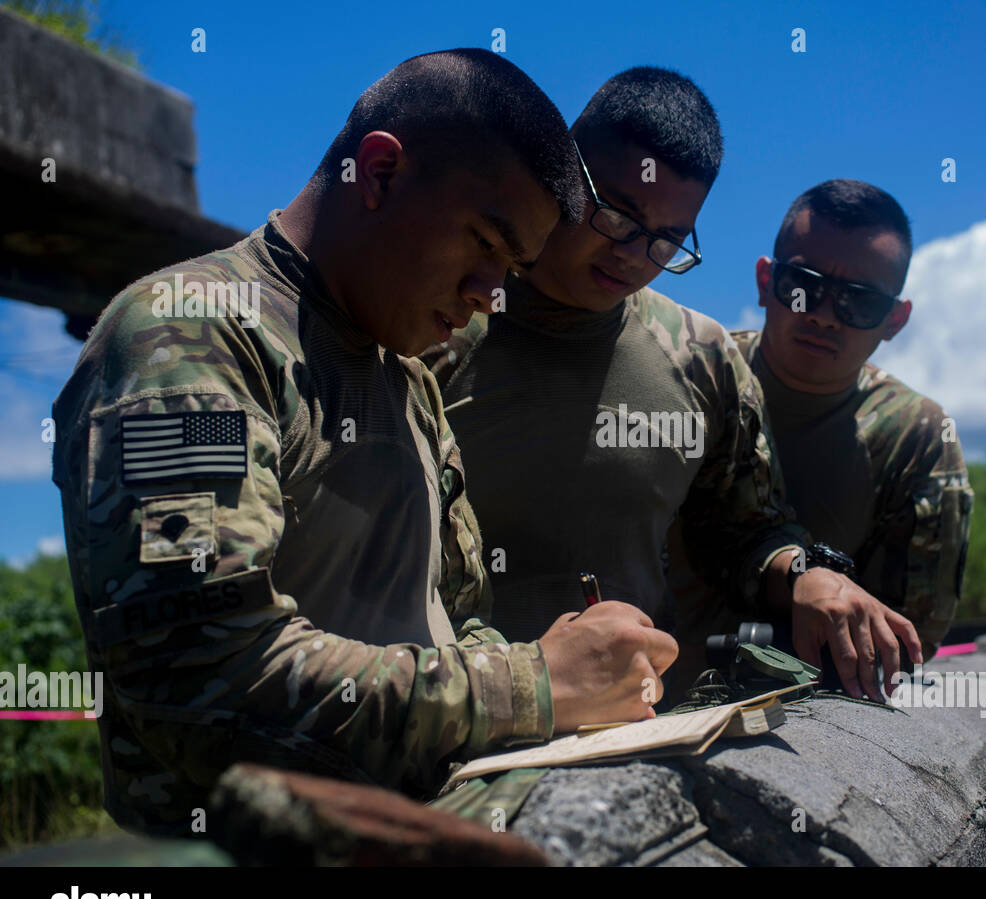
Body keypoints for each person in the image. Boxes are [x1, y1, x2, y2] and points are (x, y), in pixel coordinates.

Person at [50, 49, 676, 837]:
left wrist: (570, 673)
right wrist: (532, 685)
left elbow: (456, 618)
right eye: (486, 244)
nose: (489, 299)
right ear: (378, 174)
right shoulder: (188, 336)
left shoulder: (409, 378)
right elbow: (200, 682)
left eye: (512, 269)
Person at [427, 69, 921, 704]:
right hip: (452, 726)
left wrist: (805, 576)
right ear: (561, 170)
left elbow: (746, 529)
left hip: (639, 730)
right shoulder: (441, 318)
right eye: (618, 216)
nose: (635, 255)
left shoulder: (702, 357)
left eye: (668, 240)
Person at [670, 180, 973, 663]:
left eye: (860, 301)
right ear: (766, 282)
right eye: (803, 287)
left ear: (894, 321)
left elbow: (908, 639)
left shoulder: (916, 437)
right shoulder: (692, 376)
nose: (826, 316)